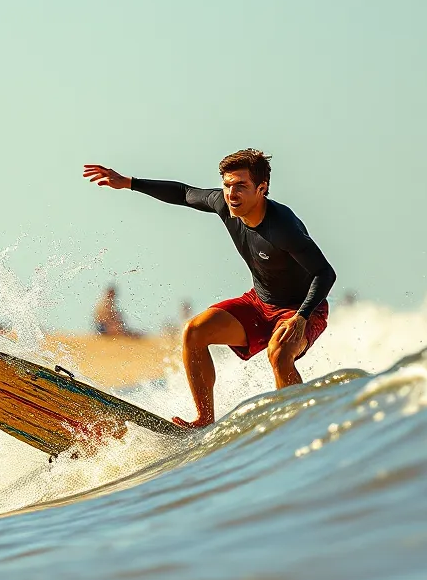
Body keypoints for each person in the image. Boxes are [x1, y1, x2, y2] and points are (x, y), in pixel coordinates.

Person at [83, 149, 336, 427]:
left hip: (302, 309)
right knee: (194, 331)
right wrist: (129, 182)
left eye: (241, 186)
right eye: (227, 185)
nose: (231, 193)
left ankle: (296, 424)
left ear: (262, 189)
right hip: (260, 303)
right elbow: (184, 193)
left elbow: (325, 273)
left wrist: (301, 317)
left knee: (279, 353)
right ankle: (204, 419)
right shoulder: (224, 205)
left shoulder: (283, 227)